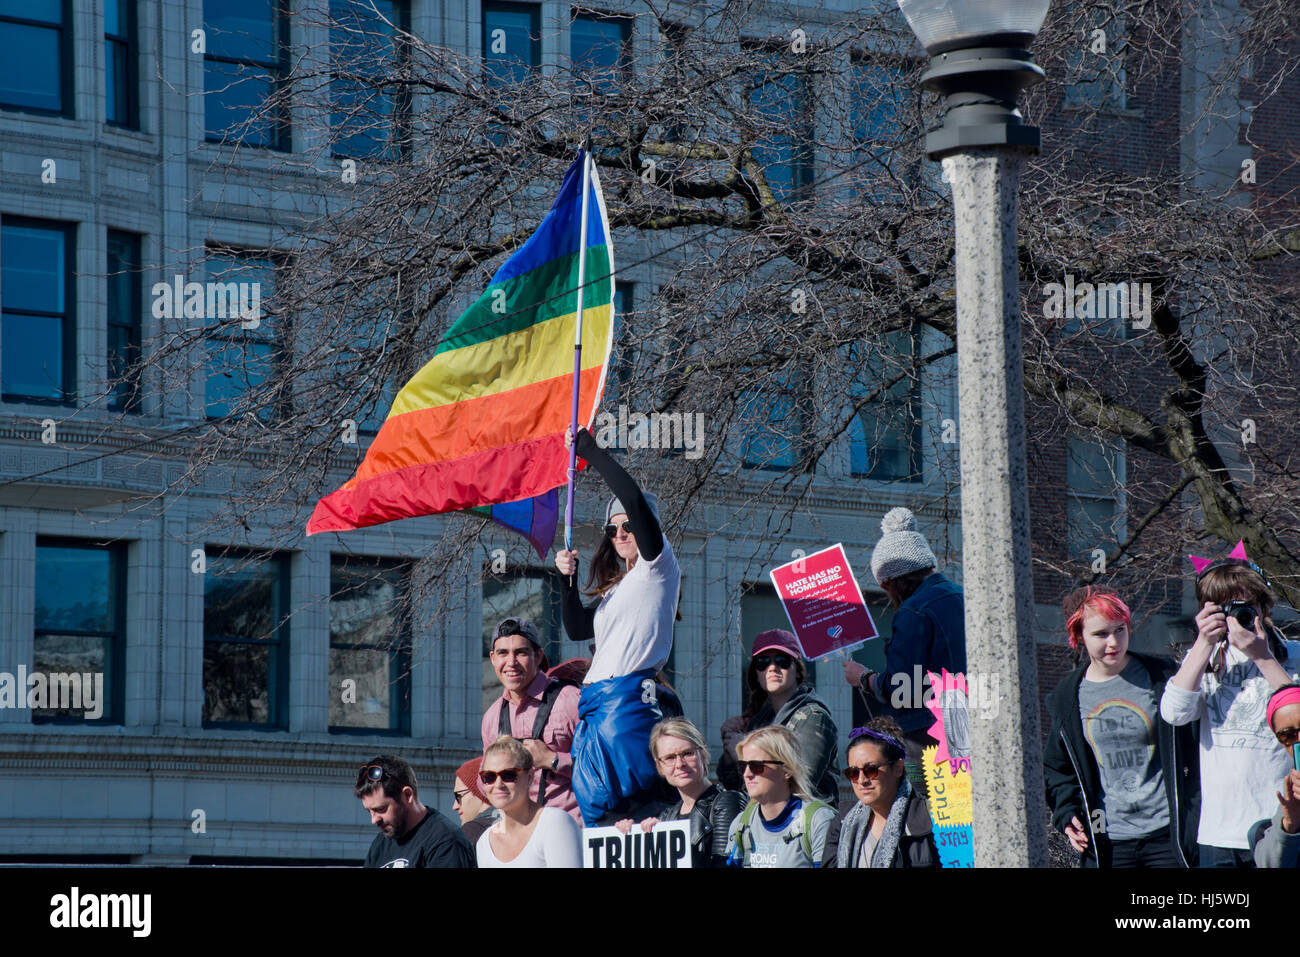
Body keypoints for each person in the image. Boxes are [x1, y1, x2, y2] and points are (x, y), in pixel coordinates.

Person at [554, 426, 681, 824]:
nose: (621, 533)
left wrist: (589, 449)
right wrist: (567, 581)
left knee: (639, 800)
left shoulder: (657, 567)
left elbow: (632, 499)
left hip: (625, 700)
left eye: (629, 526)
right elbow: (576, 628)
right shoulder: (617, 590)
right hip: (593, 705)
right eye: (613, 529)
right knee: (598, 814)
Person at [1160, 545, 1300, 867]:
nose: (1235, 615)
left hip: (1279, 826)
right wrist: (1203, 643)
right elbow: (1174, 713)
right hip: (1218, 832)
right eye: (1223, 607)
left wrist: (1263, 656)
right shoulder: (1204, 661)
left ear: (1262, 606)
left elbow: (1297, 717)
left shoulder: (1292, 655)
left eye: (1243, 605)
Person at [1043, 587, 1199, 868]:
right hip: (1108, 840)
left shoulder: (1162, 676)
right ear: (1079, 637)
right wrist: (1067, 814)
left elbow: (1195, 744)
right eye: (1101, 634)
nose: (1113, 642)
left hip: (1168, 835)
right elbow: (1057, 769)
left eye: (1120, 630)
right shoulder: (1067, 697)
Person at [842, 507, 965, 793]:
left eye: (884, 587)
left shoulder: (913, 611)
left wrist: (865, 678)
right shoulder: (963, 597)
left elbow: (904, 687)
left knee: (933, 822)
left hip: (928, 740)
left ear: (891, 582)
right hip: (973, 731)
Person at [718, 629, 839, 804]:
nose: (772, 667)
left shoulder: (814, 717)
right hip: (766, 822)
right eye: (763, 662)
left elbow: (802, 781)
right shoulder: (758, 722)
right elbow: (736, 787)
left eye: (782, 661)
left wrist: (745, 755)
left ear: (797, 670)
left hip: (805, 824)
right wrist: (730, 754)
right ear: (756, 673)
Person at [480, 616, 582, 822]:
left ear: (538, 656)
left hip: (570, 831)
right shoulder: (492, 717)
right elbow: (484, 782)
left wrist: (552, 760)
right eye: (503, 653)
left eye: (521, 653)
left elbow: (603, 771)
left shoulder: (571, 700)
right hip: (519, 837)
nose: (511, 662)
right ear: (492, 658)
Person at [616, 717, 745, 868]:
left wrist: (671, 848)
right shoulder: (667, 817)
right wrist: (630, 838)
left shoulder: (727, 802)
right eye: (670, 758)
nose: (679, 764)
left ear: (703, 753)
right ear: (659, 766)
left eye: (687, 753)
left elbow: (726, 865)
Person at [822, 718, 939, 868]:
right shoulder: (842, 821)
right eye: (853, 772)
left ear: (897, 768)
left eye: (871, 770)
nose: (862, 780)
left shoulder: (928, 819)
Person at [725, 725, 835, 868]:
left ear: (787, 770)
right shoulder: (741, 823)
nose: (747, 774)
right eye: (742, 766)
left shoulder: (818, 820)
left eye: (756, 766)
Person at [475, 735, 583, 868]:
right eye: (488, 777)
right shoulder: (485, 843)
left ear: (530, 777)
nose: (498, 784)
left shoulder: (554, 823)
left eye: (508, 775)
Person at [355, 754, 474, 868]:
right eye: (369, 811)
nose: (374, 820)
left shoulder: (446, 841)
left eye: (381, 809)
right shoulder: (380, 844)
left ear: (407, 795)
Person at [1251, 685, 1300, 867]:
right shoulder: (1293, 790)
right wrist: (1289, 825)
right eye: (1288, 735)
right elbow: (1267, 864)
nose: (1299, 740)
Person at [453, 757, 496, 844]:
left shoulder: (472, 831)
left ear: (480, 792)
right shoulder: (517, 825)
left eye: (458, 796)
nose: (454, 807)